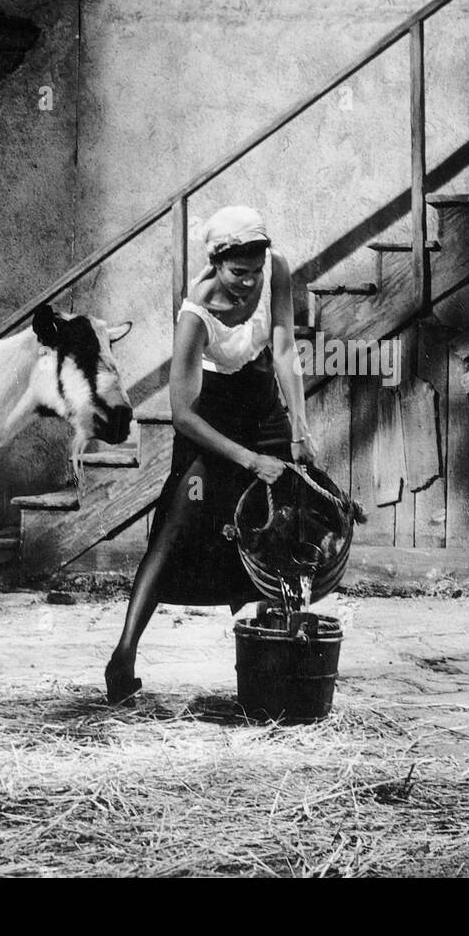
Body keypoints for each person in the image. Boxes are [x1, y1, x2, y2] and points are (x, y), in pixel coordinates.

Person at [105, 205, 318, 702]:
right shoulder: (195, 313)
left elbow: (284, 350)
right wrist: (248, 460)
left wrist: (299, 428)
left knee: (283, 520)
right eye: (238, 273)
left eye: (256, 272)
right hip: (211, 415)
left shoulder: (277, 270)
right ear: (217, 264)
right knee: (178, 521)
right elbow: (183, 415)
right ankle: (123, 656)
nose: (249, 283)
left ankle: (279, 654)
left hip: (261, 401)